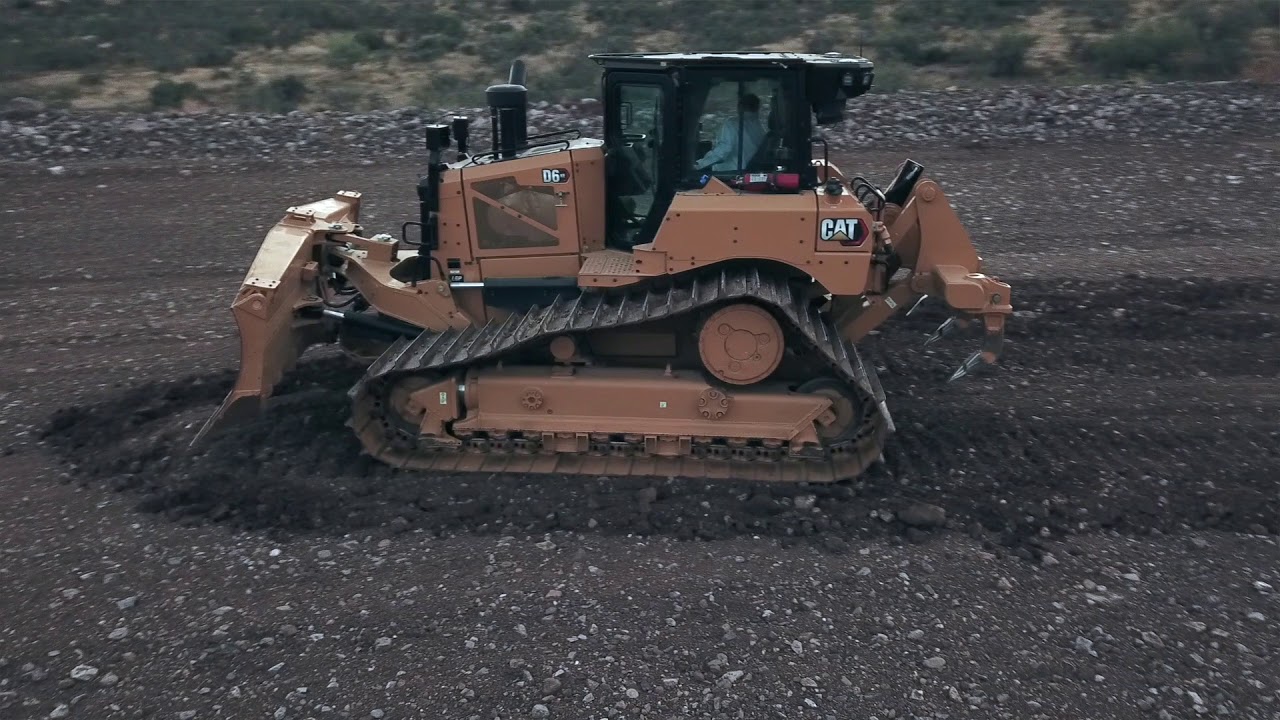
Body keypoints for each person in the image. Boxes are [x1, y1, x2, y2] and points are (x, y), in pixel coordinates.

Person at [694, 93, 765, 173]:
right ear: (757, 108)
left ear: (740, 106)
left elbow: (724, 150)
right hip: (750, 171)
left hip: (731, 172)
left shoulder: (732, 123)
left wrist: (699, 164)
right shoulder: (759, 126)